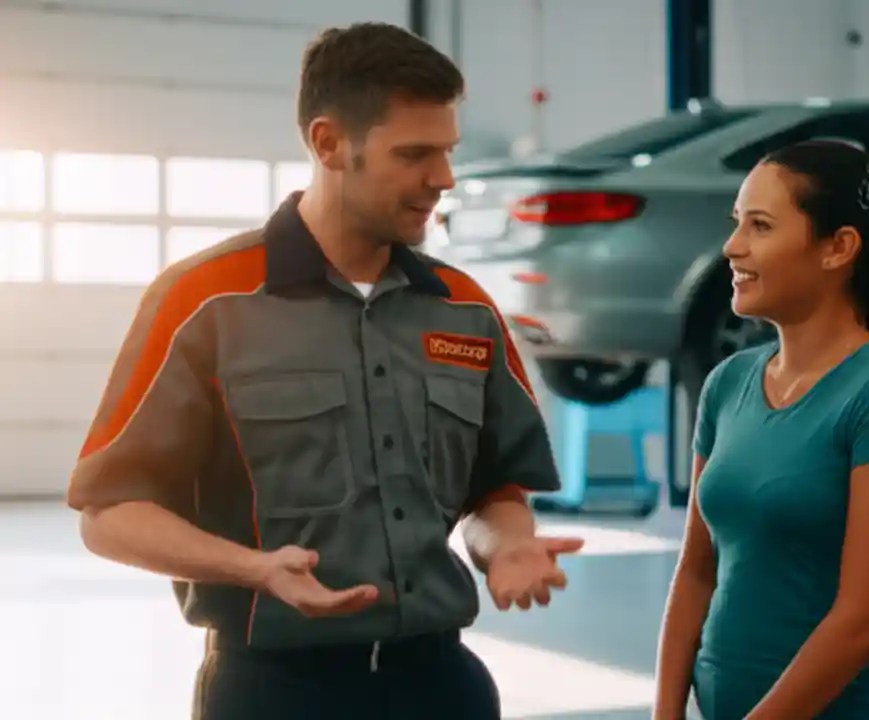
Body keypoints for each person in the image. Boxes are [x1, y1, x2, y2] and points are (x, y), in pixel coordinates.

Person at [65, 23, 582, 720]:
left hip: (442, 688)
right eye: (415, 154)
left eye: (447, 152)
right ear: (329, 143)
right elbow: (109, 513)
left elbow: (495, 484)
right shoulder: (204, 302)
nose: (444, 179)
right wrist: (254, 570)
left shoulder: (465, 308)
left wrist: (508, 545)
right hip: (272, 693)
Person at [653, 139, 869, 719]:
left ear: (838, 248)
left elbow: (862, 621)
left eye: (760, 226)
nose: (732, 247)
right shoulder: (727, 383)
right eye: (736, 223)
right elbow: (696, 571)